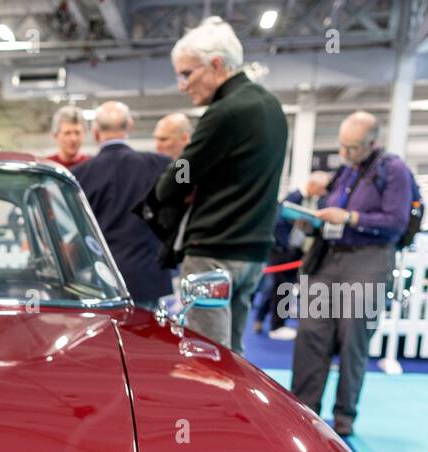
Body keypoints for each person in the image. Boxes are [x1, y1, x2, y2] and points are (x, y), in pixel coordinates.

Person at [144, 16, 288, 352]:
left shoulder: (224, 113)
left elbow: (176, 181)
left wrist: (176, 177)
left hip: (213, 255)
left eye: (186, 74)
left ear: (217, 65)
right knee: (234, 359)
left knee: (205, 359)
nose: (182, 85)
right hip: (252, 255)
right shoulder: (272, 108)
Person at [290, 111, 413, 437]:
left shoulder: (394, 170)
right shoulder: (345, 172)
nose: (344, 154)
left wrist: (351, 217)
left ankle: (344, 418)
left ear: (373, 143)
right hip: (329, 260)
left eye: (352, 148)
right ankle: (303, 411)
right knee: (310, 335)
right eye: (342, 146)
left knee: (352, 342)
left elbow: (396, 222)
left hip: (369, 261)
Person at [72, 101, 174, 309]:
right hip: (147, 278)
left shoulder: (78, 175)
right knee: (145, 340)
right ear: (129, 126)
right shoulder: (160, 164)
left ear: (95, 131)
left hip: (100, 280)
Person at [260, 170, 330, 340]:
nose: (323, 193)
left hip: (298, 252)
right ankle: (275, 325)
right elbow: (278, 223)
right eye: (321, 188)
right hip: (283, 252)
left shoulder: (317, 202)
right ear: (312, 185)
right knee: (277, 288)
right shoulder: (293, 199)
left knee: (282, 288)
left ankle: (266, 320)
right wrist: (284, 246)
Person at [43, 105, 89, 170]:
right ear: (55, 136)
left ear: (84, 134)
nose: (73, 138)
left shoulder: (91, 166)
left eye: (77, 132)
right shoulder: (46, 167)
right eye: (67, 133)